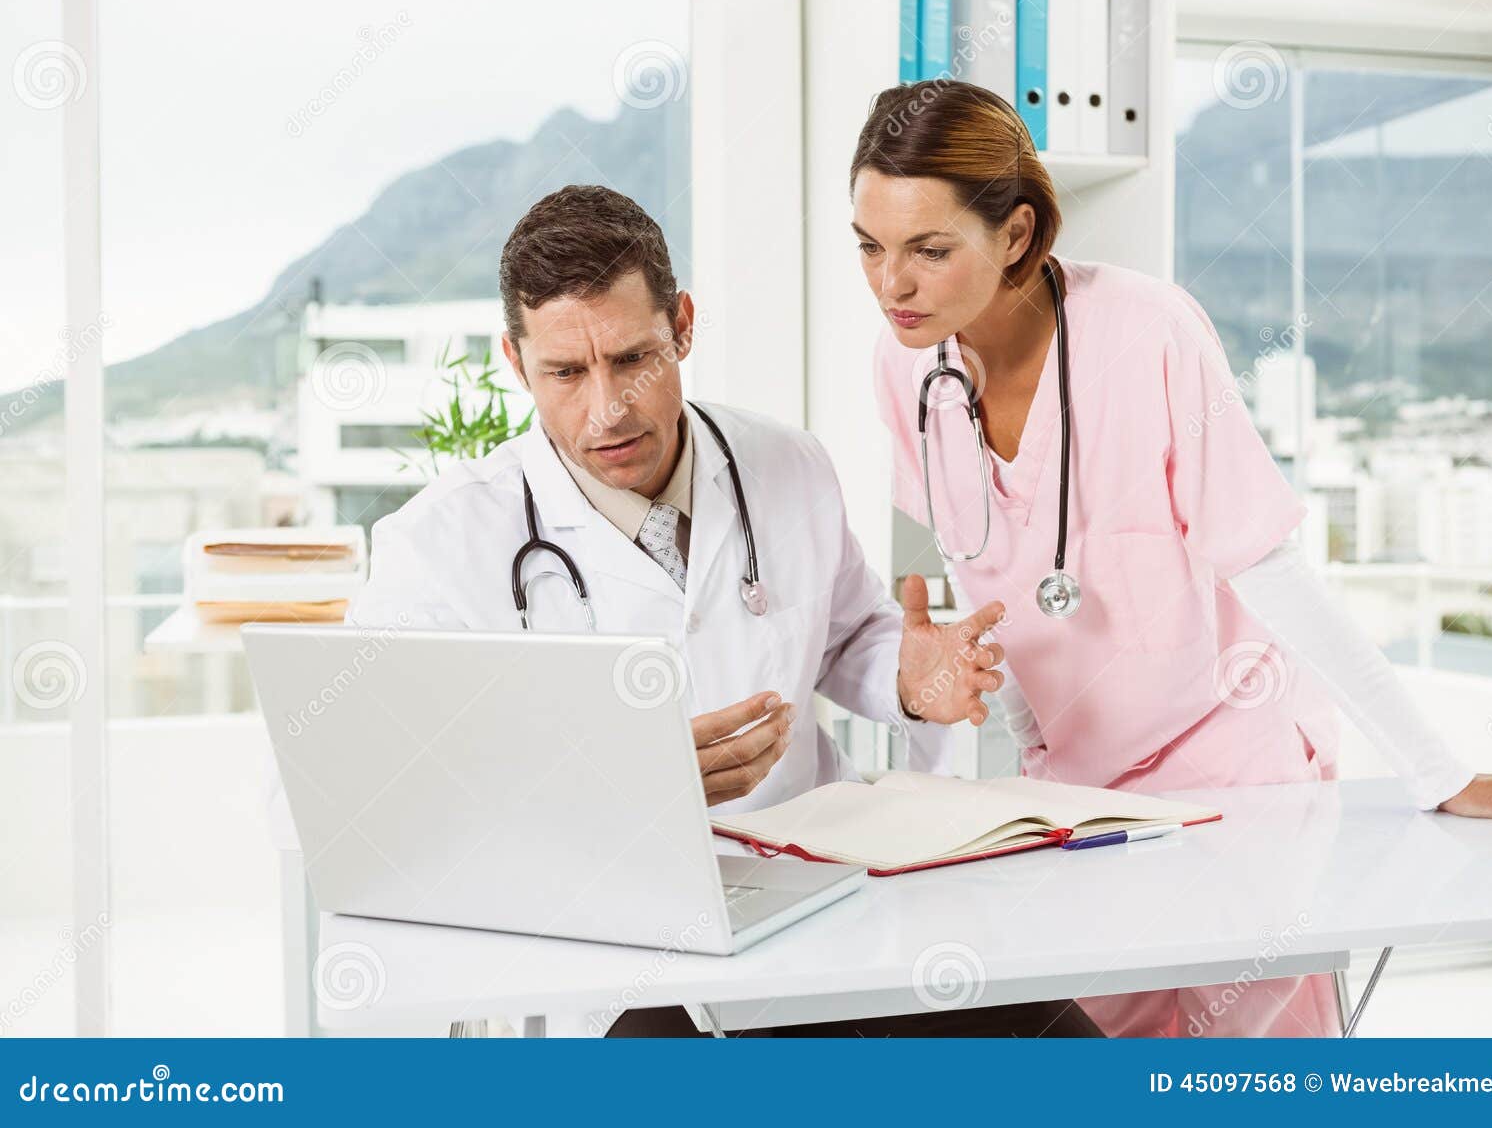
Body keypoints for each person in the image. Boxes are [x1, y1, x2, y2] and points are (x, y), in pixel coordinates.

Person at [853, 81, 1492, 1038]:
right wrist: (1001, 757)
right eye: (869, 245)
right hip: (1076, 791)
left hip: (1233, 770)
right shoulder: (906, 367)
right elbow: (975, 575)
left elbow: (1265, 565)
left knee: (1248, 1070)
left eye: (929, 250)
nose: (890, 283)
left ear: (1017, 234)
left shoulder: (1147, 330)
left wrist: (1435, 772)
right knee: (1103, 1056)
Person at [345, 183, 1102, 1038]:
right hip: (618, 946)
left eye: (634, 359)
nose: (608, 410)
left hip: (826, 895)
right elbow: (365, 792)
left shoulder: (785, 463)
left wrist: (908, 675)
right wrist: (616, 778)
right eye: (565, 372)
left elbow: (846, 632)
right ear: (516, 364)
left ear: (684, 327)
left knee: (1072, 1060)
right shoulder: (445, 543)